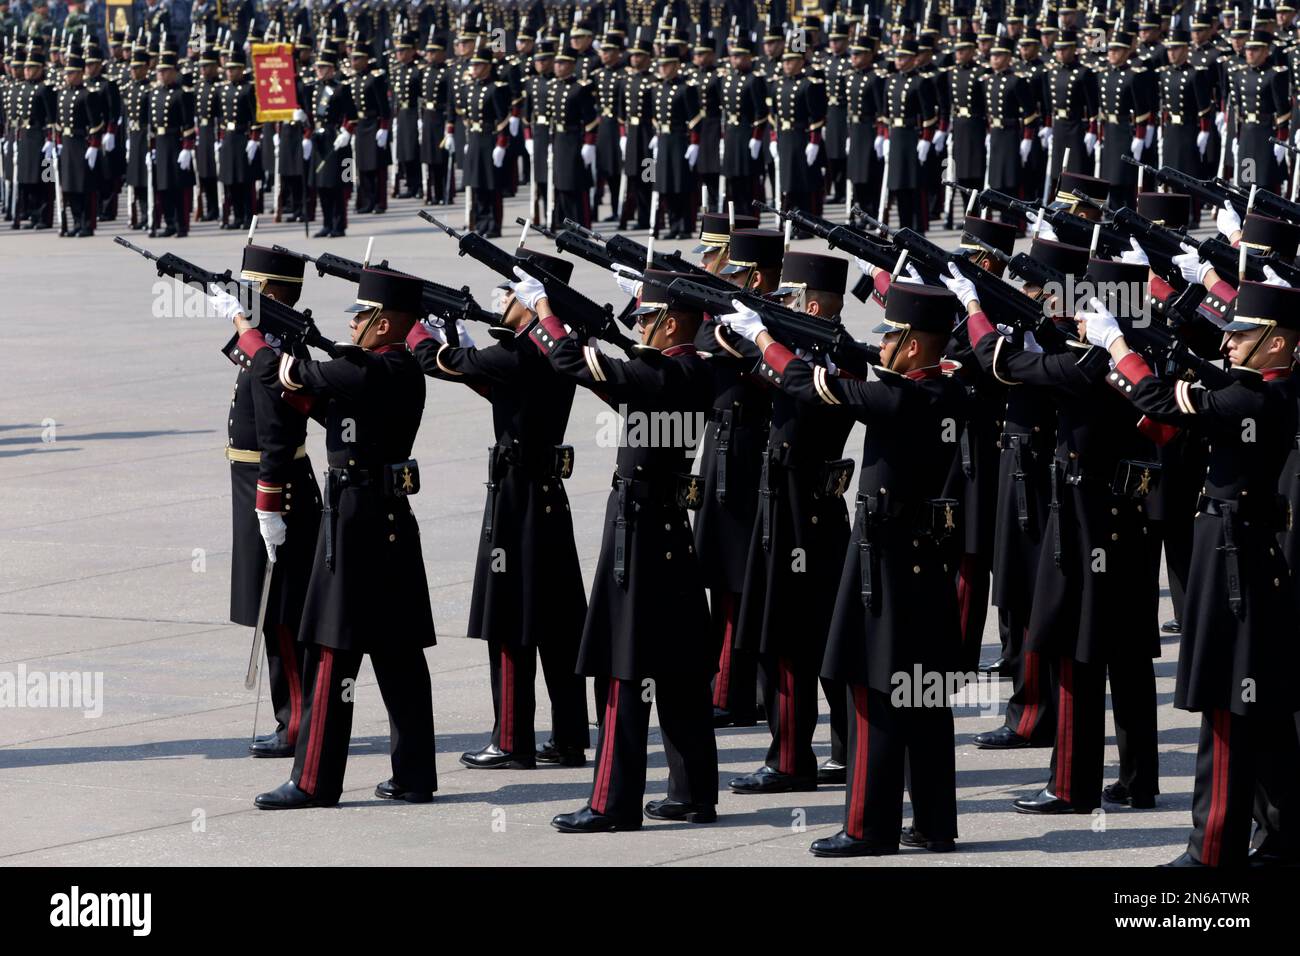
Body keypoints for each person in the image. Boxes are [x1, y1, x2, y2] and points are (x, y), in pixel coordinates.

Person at [723, 279, 967, 858]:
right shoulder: (946, 393)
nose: (880, 348)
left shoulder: (901, 399)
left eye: (889, 340)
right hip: (927, 567)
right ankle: (935, 824)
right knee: (927, 698)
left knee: (872, 694)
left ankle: (868, 827)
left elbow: (809, 385)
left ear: (911, 345)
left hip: (883, 566)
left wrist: (762, 336)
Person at [1083, 274, 1300, 867]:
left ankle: (1212, 850)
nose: (1229, 343)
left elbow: (1159, 402)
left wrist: (1118, 348)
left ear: (1278, 343)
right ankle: (1282, 836)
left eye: (1243, 335)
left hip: (1235, 563)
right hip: (1249, 557)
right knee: (1267, 709)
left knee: (1228, 707)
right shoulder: (1267, 388)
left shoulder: (1254, 399)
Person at [522, 269, 718, 832]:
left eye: (648, 319)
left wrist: (546, 314)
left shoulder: (671, 370)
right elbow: (600, 377)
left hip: (639, 528)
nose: (641, 329)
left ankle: (613, 802)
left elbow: (572, 364)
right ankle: (693, 792)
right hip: (666, 531)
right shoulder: (680, 372)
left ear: (672, 321)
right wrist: (554, 324)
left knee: (622, 669)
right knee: (679, 668)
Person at [250, 267, 439, 810]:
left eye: (359, 315)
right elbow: (322, 403)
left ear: (381, 323)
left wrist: (249, 332)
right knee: (399, 651)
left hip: (355, 523)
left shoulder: (374, 369)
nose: (351, 324)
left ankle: (313, 779)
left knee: (331, 651)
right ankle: (414, 775)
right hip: (390, 523)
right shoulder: (389, 371)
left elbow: (284, 371)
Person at [406, 250, 590, 770]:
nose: (501, 300)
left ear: (534, 302)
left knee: (508, 617)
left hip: (517, 497)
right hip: (548, 494)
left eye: (510, 293)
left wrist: (418, 328)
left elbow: (440, 364)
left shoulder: (519, 356)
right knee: (556, 619)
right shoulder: (544, 351)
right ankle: (570, 737)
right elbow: (490, 382)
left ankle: (511, 739)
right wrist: (458, 336)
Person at [727, 252, 856, 794]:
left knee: (790, 636)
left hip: (802, 509)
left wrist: (763, 340)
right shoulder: (808, 350)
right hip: (792, 504)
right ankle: (842, 750)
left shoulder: (838, 354)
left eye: (788, 299)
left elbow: (803, 386)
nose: (778, 306)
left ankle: (790, 760)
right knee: (816, 634)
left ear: (810, 304)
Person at [220, 245, 322, 758]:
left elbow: (279, 435)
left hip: (273, 485)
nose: (244, 293)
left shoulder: (278, 352)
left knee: (281, 609)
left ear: (275, 292)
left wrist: (269, 502)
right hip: (257, 482)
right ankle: (292, 717)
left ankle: (297, 723)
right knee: (273, 608)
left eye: (253, 285)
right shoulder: (269, 343)